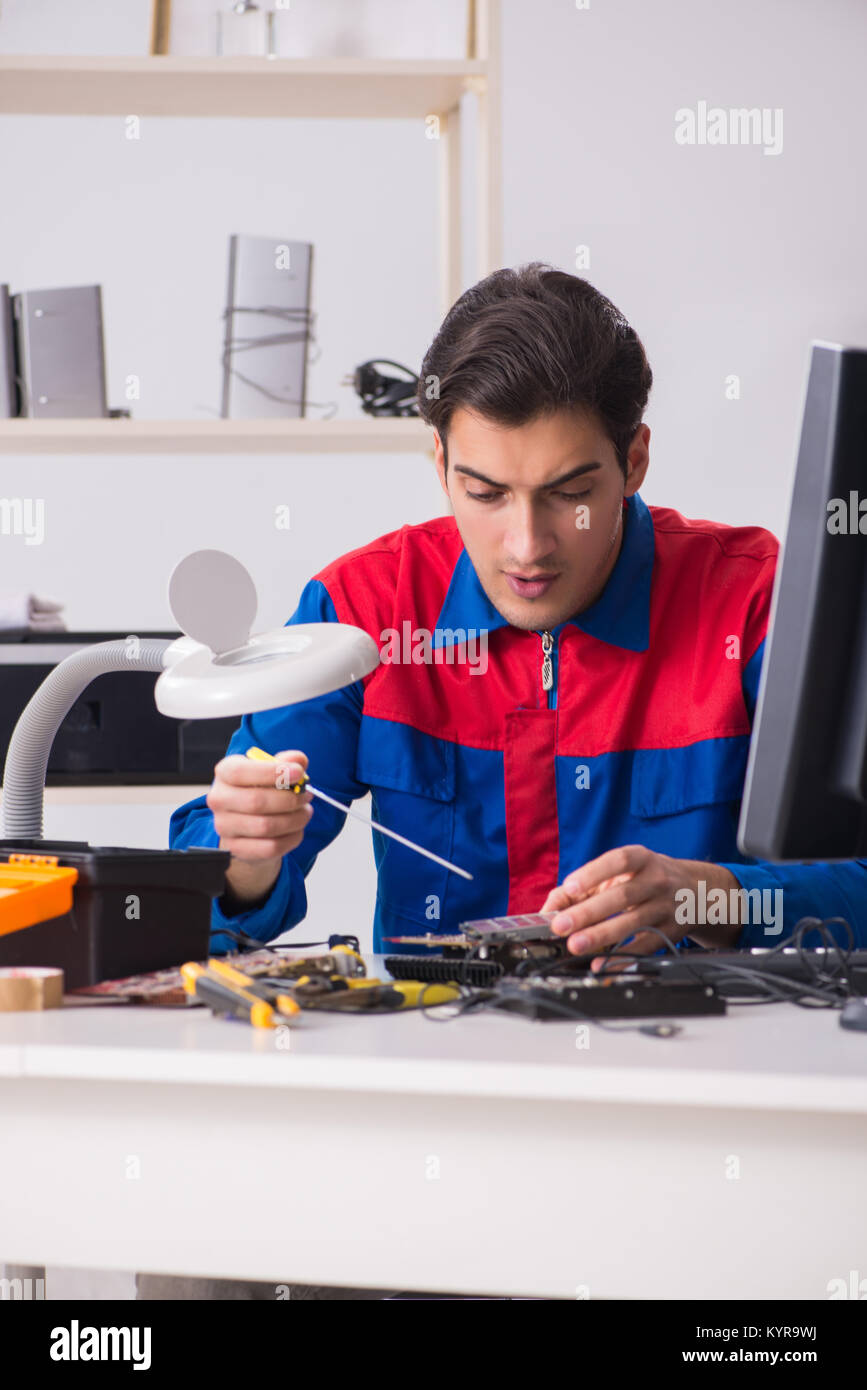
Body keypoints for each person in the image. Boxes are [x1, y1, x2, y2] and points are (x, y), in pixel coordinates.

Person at [138, 263, 867, 1300]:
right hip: (440, 1132)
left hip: (701, 1138)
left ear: (636, 461)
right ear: (439, 462)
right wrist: (245, 864)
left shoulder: (755, 603)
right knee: (189, 1240)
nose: (526, 547)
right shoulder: (360, 604)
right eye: (486, 493)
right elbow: (198, 903)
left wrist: (715, 896)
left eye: (572, 493)